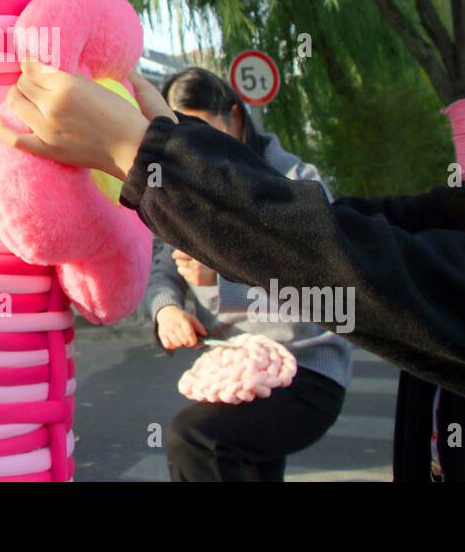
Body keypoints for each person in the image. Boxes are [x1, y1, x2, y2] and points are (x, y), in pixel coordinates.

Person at [0, 0, 465, 480]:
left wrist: (142, 154)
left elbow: (356, 266)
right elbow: (333, 226)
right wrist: (167, 153)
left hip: (302, 367)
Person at [146, 68, 351, 481]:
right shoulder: (187, 190)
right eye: (179, 136)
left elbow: (324, 289)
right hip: (234, 371)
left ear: (235, 120)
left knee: (195, 437)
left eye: (201, 131)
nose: (192, 150)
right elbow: (161, 268)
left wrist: (220, 283)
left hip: (305, 369)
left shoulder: (296, 183)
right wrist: (166, 309)